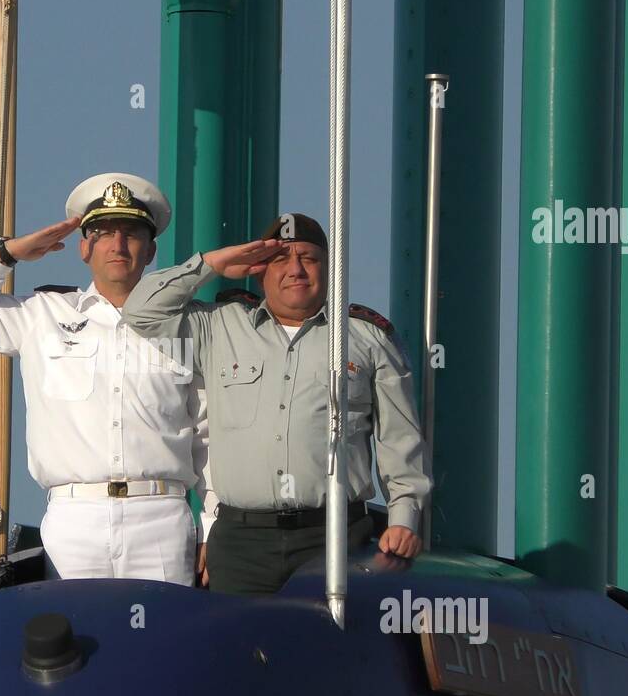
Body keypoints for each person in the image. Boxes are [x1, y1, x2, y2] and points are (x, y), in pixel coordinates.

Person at [121, 212, 430, 595]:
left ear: (329, 268)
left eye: (309, 258)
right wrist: (211, 264)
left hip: (335, 536)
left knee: (329, 652)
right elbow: (141, 312)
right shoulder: (218, 327)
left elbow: (400, 440)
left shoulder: (367, 339)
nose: (296, 269)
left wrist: (404, 517)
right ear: (259, 271)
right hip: (241, 543)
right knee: (238, 653)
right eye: (281, 259)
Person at [0, 173, 216, 586]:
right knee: (78, 644)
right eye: (102, 233)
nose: (118, 245)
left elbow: (207, 434)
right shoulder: (42, 315)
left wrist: (212, 526)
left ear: (151, 249)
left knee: (159, 644)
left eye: (132, 233)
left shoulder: (186, 323)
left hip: (160, 516)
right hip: (74, 518)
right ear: (84, 248)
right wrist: (5, 254)